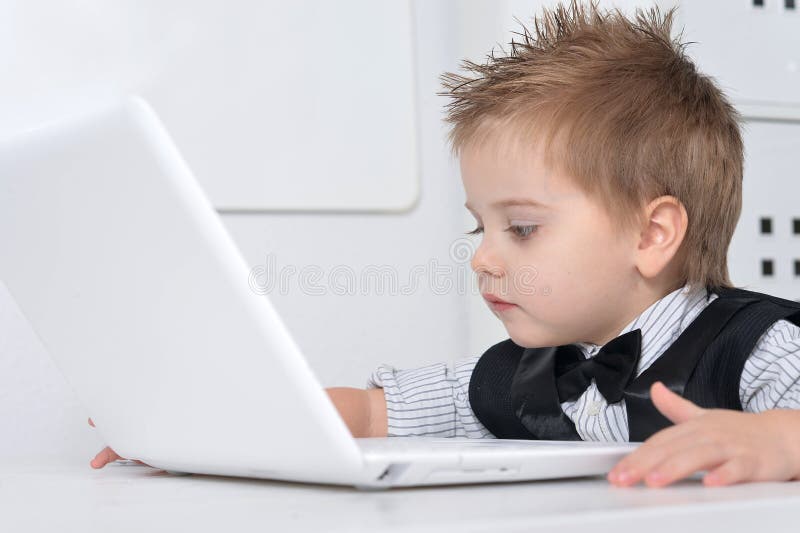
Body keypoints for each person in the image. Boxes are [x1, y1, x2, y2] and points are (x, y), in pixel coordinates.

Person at [90, 0, 800, 487]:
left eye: (521, 228)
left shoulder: (756, 347)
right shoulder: (513, 375)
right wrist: (207, 427)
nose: (483, 257)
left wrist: (774, 439)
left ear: (652, 234)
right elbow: (370, 414)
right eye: (479, 226)